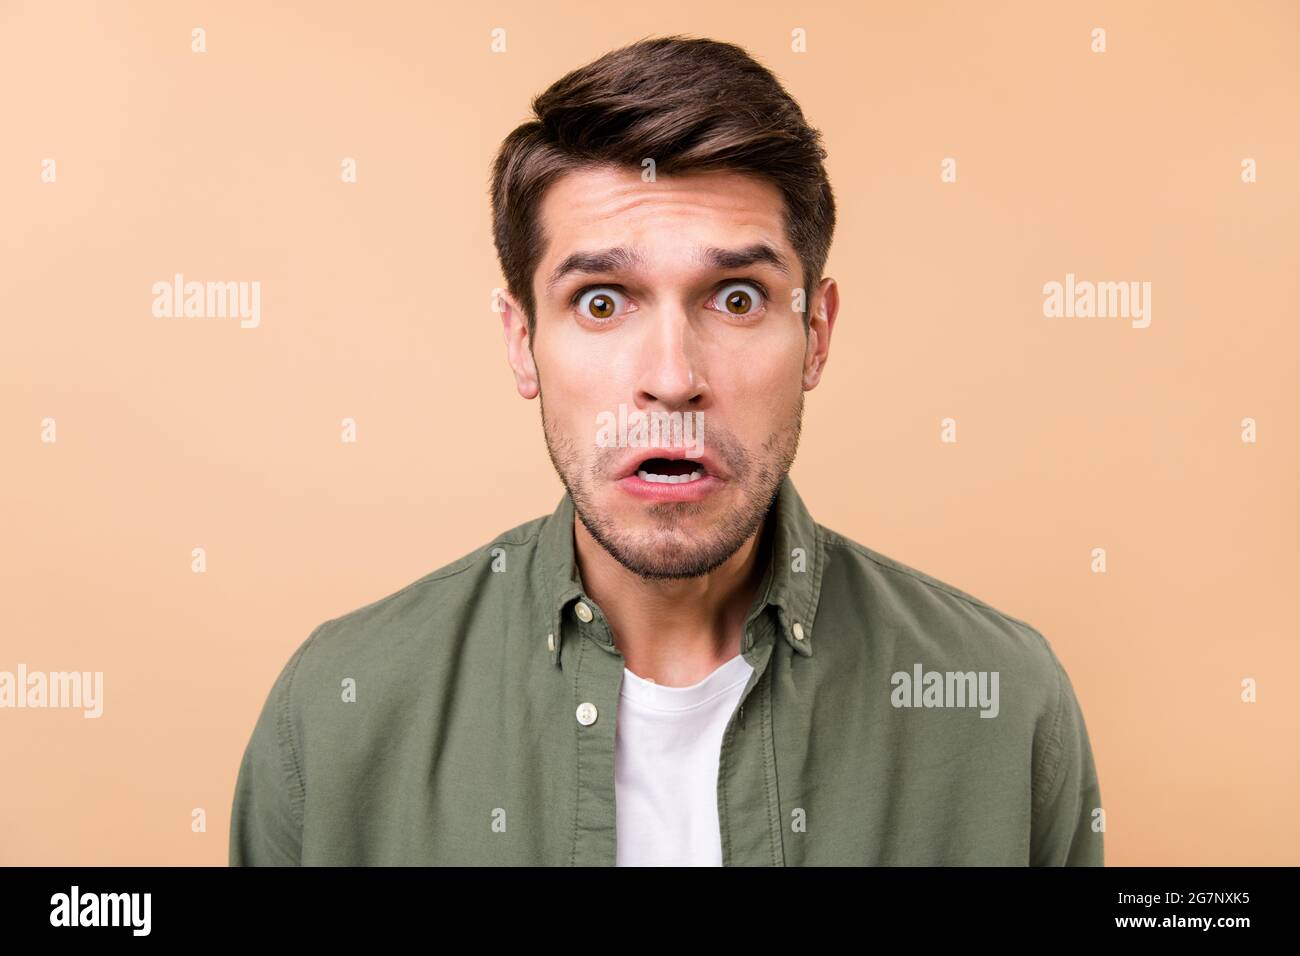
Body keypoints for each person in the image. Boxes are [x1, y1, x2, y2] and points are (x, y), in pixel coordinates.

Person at [230, 34, 1103, 866]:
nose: (673, 378)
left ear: (818, 332)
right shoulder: (336, 711)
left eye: (735, 299)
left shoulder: (1003, 702)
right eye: (603, 302)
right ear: (520, 339)